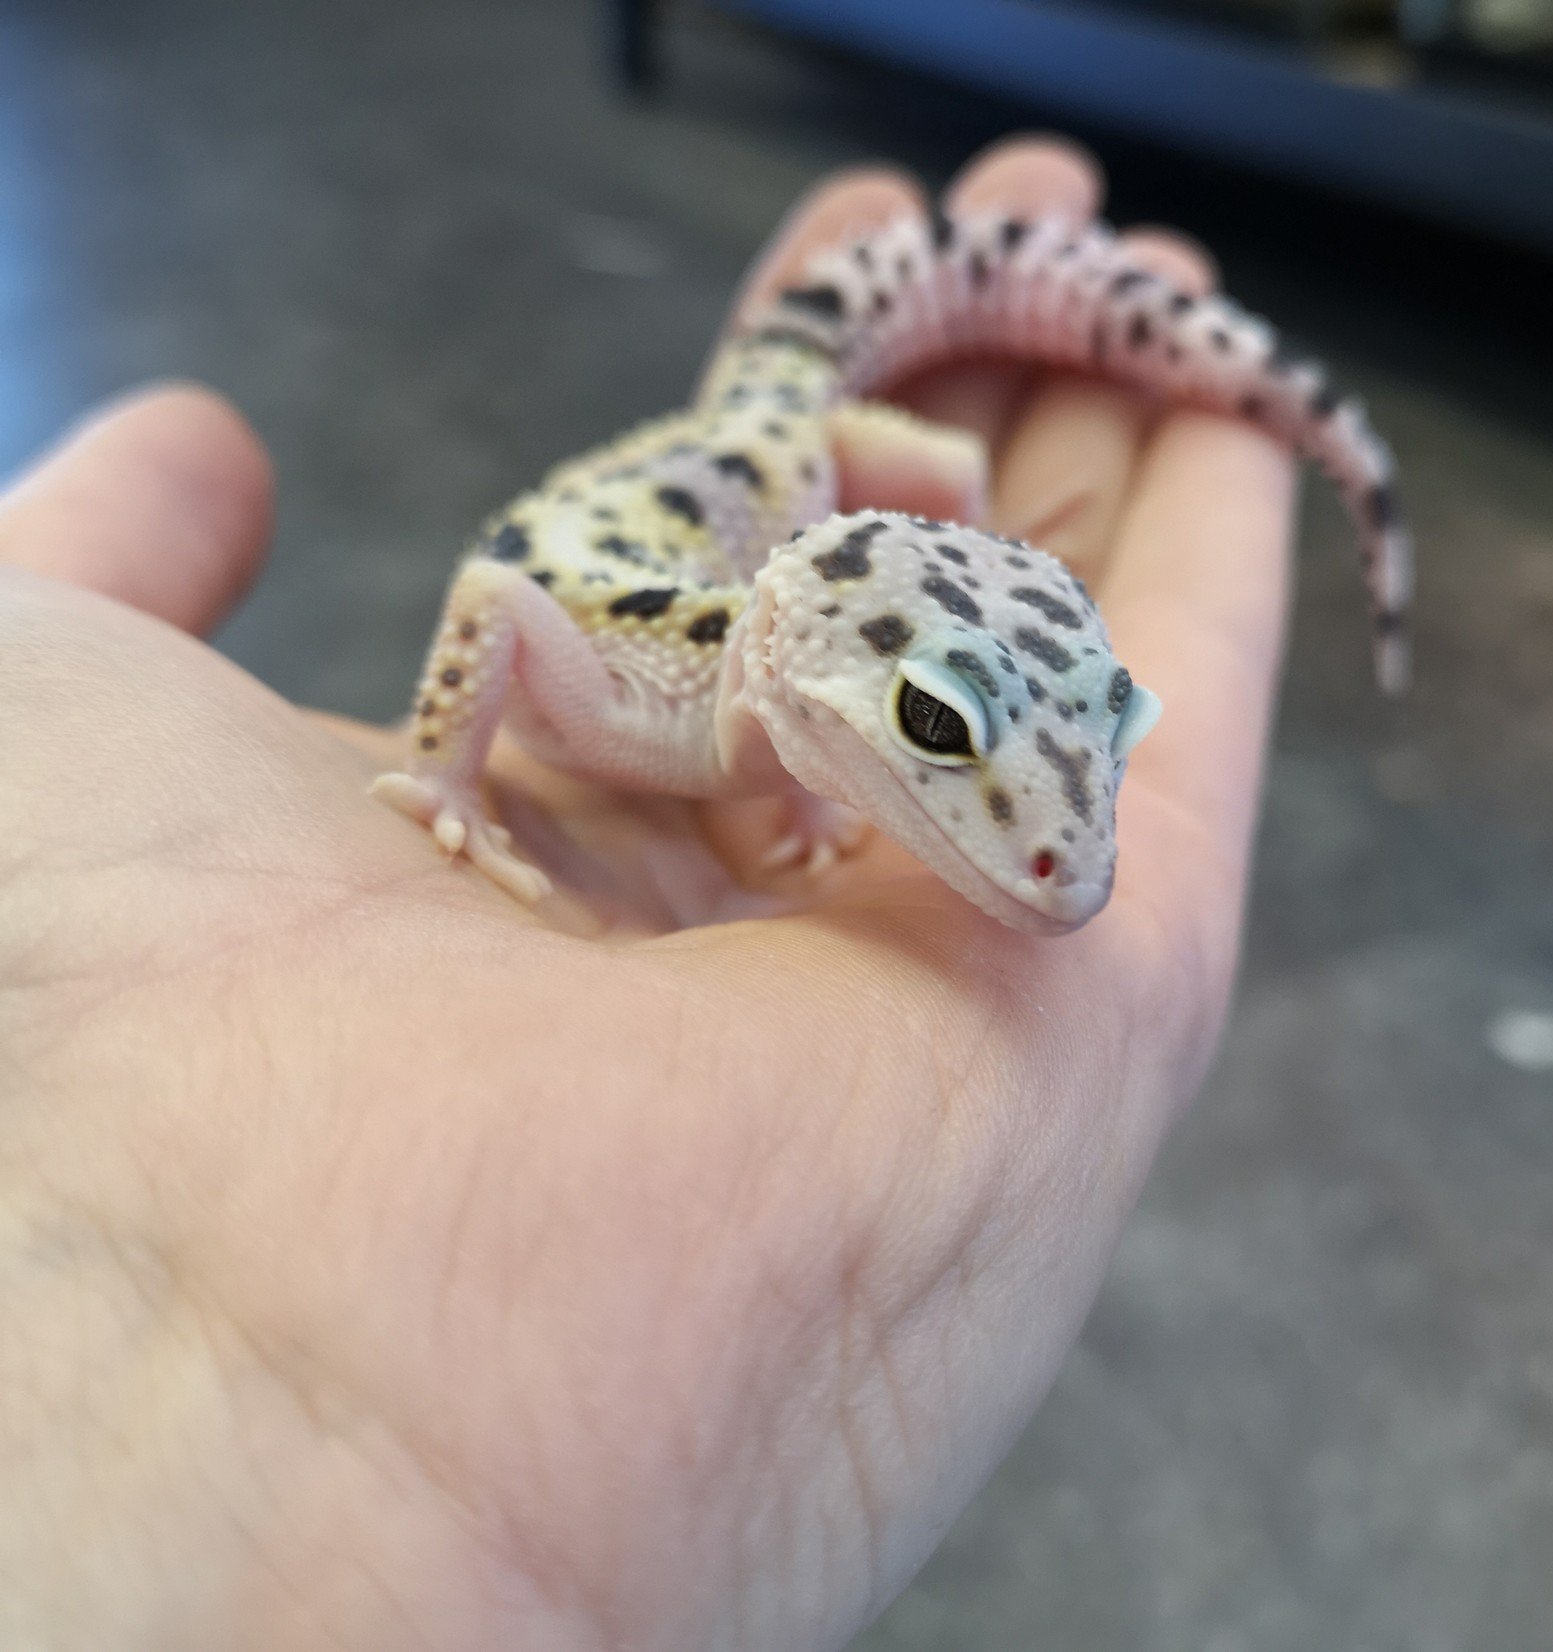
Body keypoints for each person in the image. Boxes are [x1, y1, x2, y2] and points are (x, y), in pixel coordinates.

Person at [0, 137, 1292, 1647]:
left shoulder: (803, 677)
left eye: (1109, 730)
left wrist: (960, 633)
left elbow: (846, 690)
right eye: (944, 733)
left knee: (908, 553)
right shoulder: (637, 700)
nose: (1080, 851)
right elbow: (499, 603)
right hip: (729, 516)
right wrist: (448, 780)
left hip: (791, 499)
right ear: (791, 669)